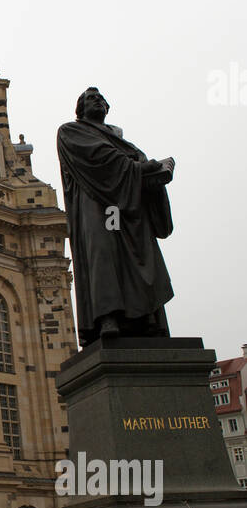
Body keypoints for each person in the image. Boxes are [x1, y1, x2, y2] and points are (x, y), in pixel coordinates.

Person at [56, 88, 175, 345]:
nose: (97, 101)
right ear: (81, 109)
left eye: (100, 98)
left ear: (107, 108)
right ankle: (106, 316)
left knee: (140, 258)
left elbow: (134, 165)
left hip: (130, 210)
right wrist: (147, 167)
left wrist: (154, 173)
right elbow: (100, 159)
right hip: (97, 205)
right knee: (103, 255)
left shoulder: (124, 142)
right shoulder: (70, 131)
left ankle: (146, 319)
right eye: (90, 98)